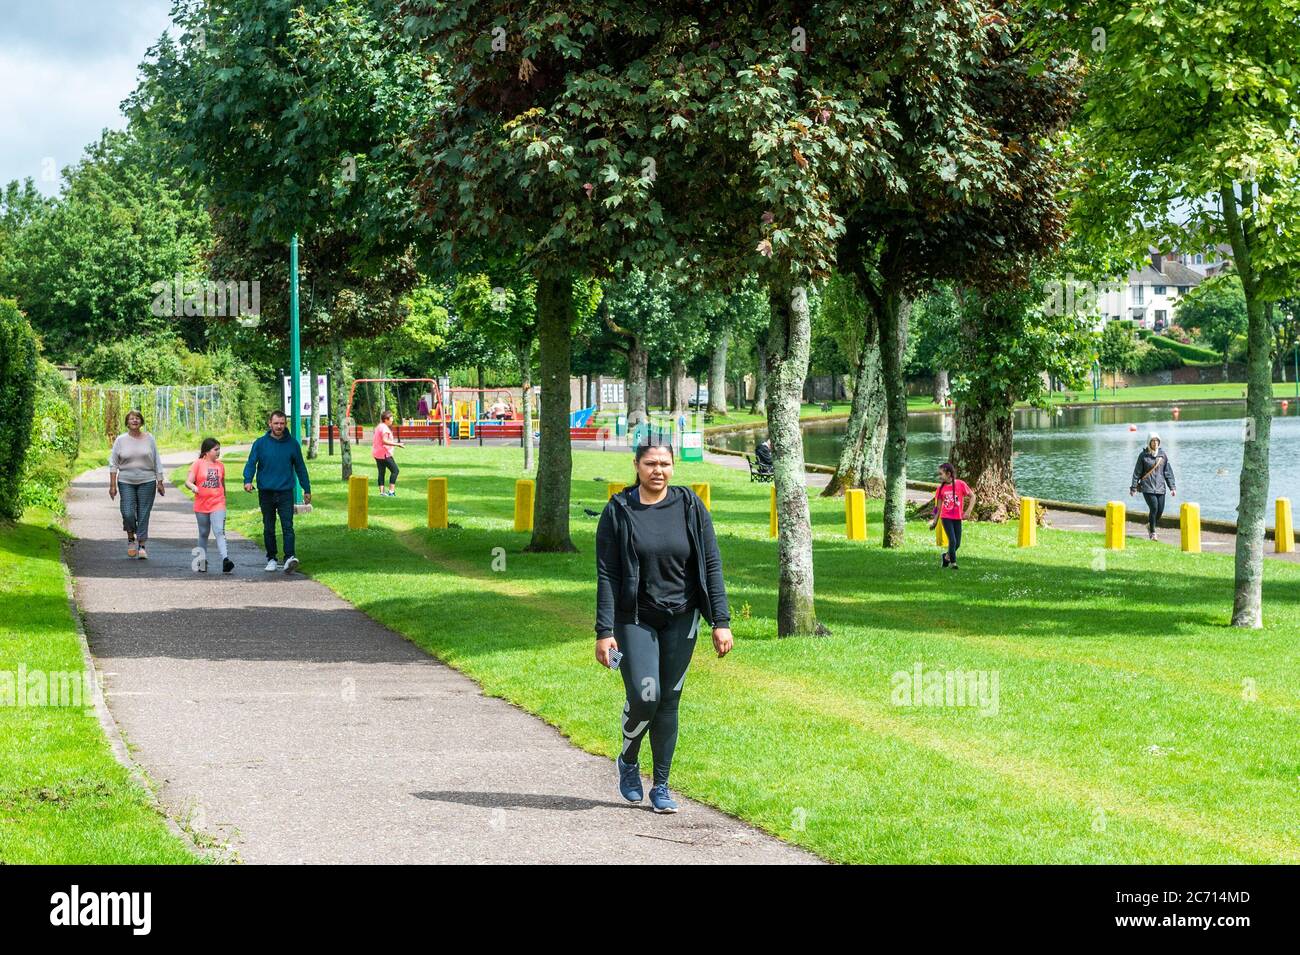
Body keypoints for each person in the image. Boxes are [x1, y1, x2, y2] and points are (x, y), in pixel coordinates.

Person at [595, 442, 734, 814]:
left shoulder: (689, 506)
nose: (659, 470)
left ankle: (661, 785)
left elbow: (712, 563)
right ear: (637, 466)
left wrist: (720, 620)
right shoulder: (619, 509)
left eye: (665, 464)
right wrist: (603, 631)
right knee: (646, 696)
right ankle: (628, 760)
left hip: (683, 617)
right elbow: (607, 573)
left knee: (669, 700)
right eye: (651, 463)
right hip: (634, 618)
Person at [243, 410, 311, 573]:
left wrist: (306, 488)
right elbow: (251, 463)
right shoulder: (260, 443)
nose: (279, 426)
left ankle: (289, 558)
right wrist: (247, 480)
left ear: (285, 424)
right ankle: (271, 558)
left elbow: (300, 467)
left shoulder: (292, 444)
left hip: (285, 491)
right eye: (276, 423)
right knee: (269, 527)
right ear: (270, 424)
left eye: (282, 423)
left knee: (288, 526)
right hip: (266, 492)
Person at [108, 410, 164, 559]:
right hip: (126, 481)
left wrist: (160, 481)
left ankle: (142, 545)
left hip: (147, 480)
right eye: (132, 418)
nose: (135, 420)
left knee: (144, 514)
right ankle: (130, 538)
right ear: (127, 422)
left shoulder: (149, 438)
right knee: (127, 512)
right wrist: (112, 486)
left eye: (137, 418)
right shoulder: (120, 440)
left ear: (141, 422)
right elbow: (113, 464)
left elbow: (157, 460)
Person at [185, 438, 234, 574]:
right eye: (216, 449)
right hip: (201, 504)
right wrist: (194, 487)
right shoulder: (197, 464)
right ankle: (201, 561)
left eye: (219, 449)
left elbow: (222, 484)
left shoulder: (220, 466)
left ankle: (226, 560)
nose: (218, 452)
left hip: (218, 503)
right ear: (206, 451)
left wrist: (224, 499)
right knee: (203, 533)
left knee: (219, 531)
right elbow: (188, 482)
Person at [1130, 432, 1176, 540]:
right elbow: (1137, 472)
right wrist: (1133, 487)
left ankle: (1150, 525)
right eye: (1153, 441)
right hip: (1147, 487)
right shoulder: (1143, 456)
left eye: (1157, 441)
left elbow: (1168, 472)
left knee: (1160, 511)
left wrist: (1172, 487)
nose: (1155, 443)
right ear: (1149, 442)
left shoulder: (1163, 455)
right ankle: (1153, 532)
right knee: (1154, 507)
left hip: (1160, 488)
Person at [928, 462, 973, 569]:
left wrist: (968, 511)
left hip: (957, 518)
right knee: (952, 540)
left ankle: (946, 556)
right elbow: (937, 508)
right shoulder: (940, 489)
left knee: (957, 544)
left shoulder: (960, 484)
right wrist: (934, 521)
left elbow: (973, 497)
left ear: (948, 474)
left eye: (941, 474)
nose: (939, 476)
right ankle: (953, 563)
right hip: (946, 517)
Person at [371, 410, 405, 497]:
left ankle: (382, 493)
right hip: (384, 454)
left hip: (377, 454)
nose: (392, 420)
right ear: (386, 419)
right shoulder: (384, 428)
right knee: (395, 470)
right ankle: (391, 492)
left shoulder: (379, 426)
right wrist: (398, 444)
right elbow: (384, 441)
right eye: (391, 418)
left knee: (381, 472)